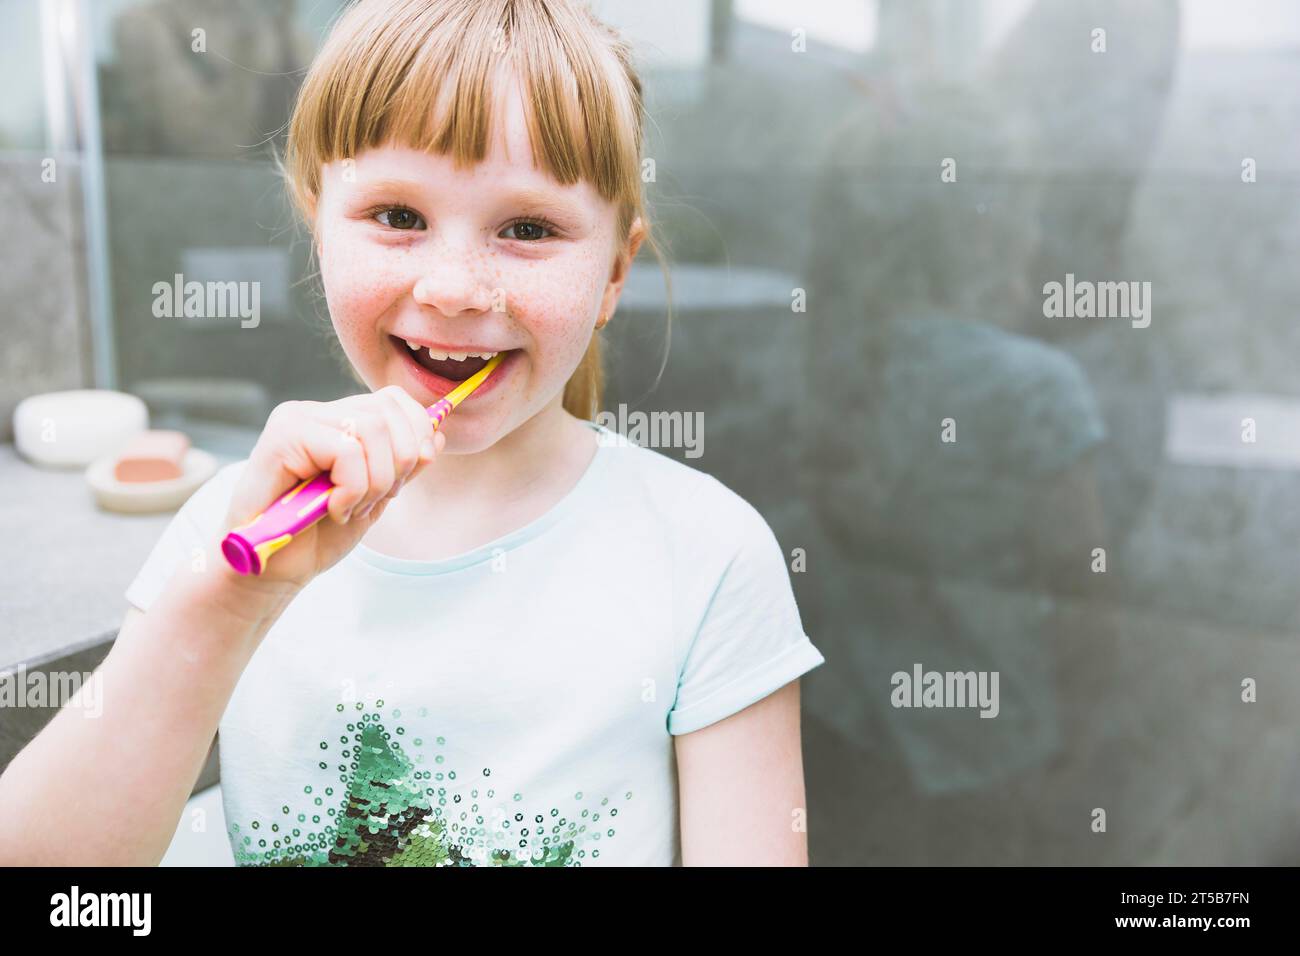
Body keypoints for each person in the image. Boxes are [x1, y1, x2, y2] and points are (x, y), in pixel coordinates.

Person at [0, 0, 824, 867]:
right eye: (398, 216)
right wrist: (227, 603)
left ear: (614, 272)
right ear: (317, 222)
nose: (456, 288)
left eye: (528, 229)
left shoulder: (708, 555)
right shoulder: (229, 530)